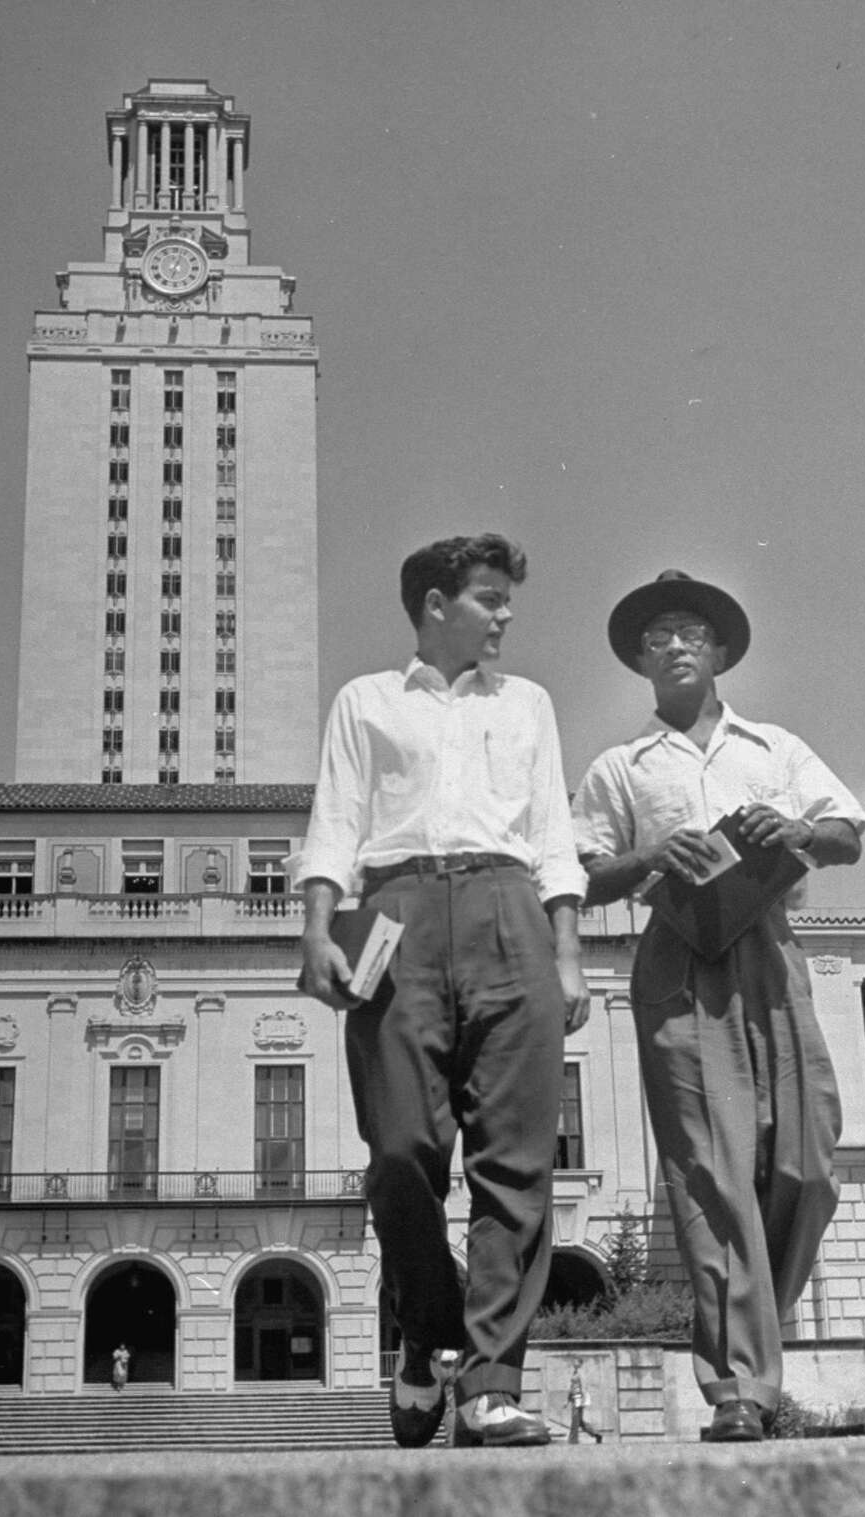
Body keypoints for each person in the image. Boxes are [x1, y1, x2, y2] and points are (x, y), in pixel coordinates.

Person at [294, 533, 589, 1449]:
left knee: (516, 1164)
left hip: (510, 910)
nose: (506, 614)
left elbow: (553, 833)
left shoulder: (528, 703)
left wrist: (567, 952)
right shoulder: (367, 700)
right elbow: (336, 821)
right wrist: (316, 928)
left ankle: (491, 1384)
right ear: (435, 603)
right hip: (398, 914)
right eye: (489, 597)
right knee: (398, 1148)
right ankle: (426, 1332)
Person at [572, 570, 865, 1443]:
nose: (674, 645)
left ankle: (751, 1330)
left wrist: (797, 831)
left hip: (770, 946)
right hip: (676, 959)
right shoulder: (620, 767)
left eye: (690, 632)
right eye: (657, 636)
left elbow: (847, 831)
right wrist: (651, 855)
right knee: (710, 1173)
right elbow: (582, 872)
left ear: (721, 650)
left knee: (808, 1162)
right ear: (640, 659)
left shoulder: (774, 747)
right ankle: (739, 1383)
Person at [565, 1357, 603, 1444]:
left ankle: (572, 1440)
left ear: (580, 1364)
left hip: (579, 1399)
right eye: (574, 1361)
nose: (574, 1363)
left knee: (575, 1420)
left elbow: (583, 1387)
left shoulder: (581, 1373)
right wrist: (567, 1400)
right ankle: (596, 1434)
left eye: (576, 1362)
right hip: (574, 1398)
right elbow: (571, 1388)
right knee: (580, 1421)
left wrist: (583, 1400)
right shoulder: (574, 1373)